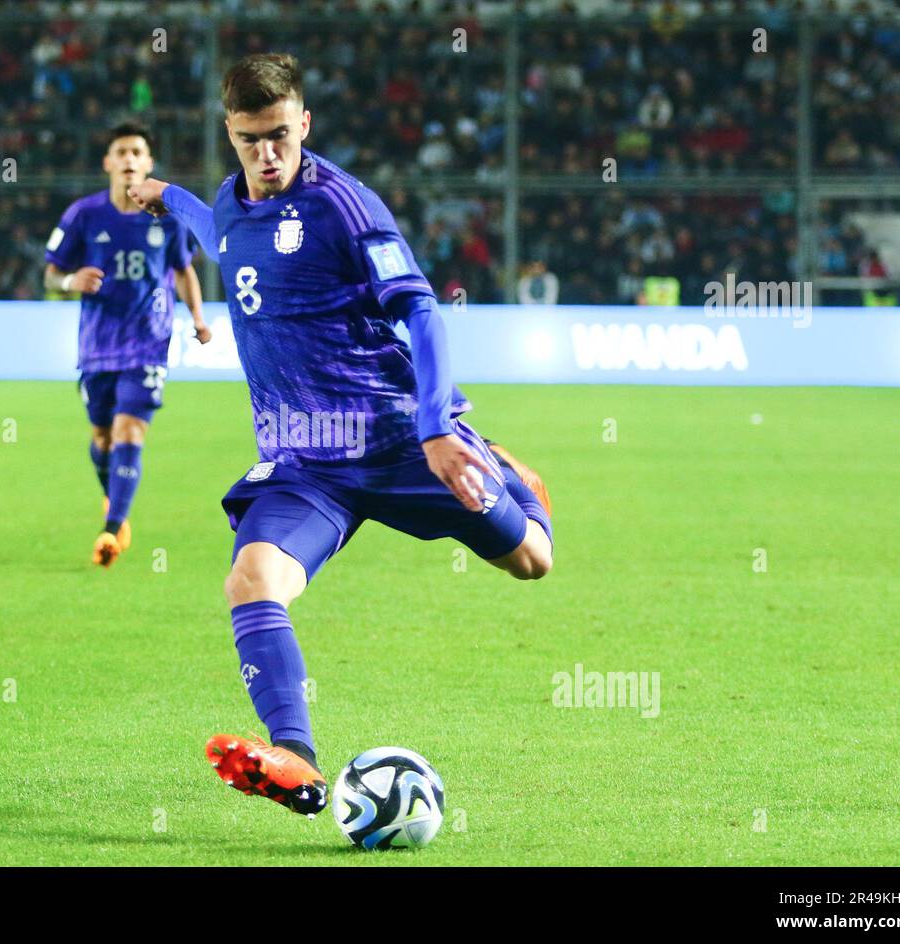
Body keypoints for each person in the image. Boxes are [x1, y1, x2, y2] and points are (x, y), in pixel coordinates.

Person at [130, 54, 553, 815]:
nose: (268, 155)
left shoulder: (345, 206)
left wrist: (432, 427)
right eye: (251, 139)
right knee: (252, 582)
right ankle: (295, 757)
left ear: (306, 125)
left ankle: (505, 469)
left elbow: (421, 309)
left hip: (397, 440)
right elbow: (215, 228)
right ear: (230, 133)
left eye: (282, 137)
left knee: (532, 560)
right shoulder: (231, 202)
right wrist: (167, 197)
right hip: (302, 460)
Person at [44, 121, 211, 568]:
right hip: (97, 346)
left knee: (128, 431)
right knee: (101, 437)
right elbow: (50, 276)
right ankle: (112, 499)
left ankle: (113, 529)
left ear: (149, 163)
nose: (130, 160)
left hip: (150, 342)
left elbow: (183, 271)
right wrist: (69, 280)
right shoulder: (83, 214)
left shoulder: (168, 218)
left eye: (138, 152)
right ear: (108, 163)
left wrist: (196, 316)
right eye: (121, 152)